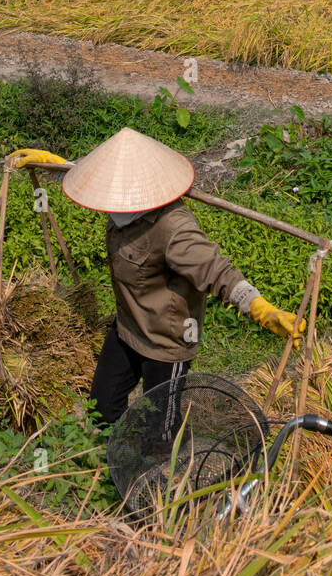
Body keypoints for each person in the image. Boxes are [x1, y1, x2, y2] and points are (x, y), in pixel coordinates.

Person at [61, 127, 305, 428]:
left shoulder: (174, 229)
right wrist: (57, 165)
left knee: (159, 426)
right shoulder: (121, 208)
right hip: (127, 326)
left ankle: (164, 472)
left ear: (139, 192)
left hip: (166, 340)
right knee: (102, 408)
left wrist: (259, 307)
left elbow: (216, 270)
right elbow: (94, 179)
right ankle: (109, 461)